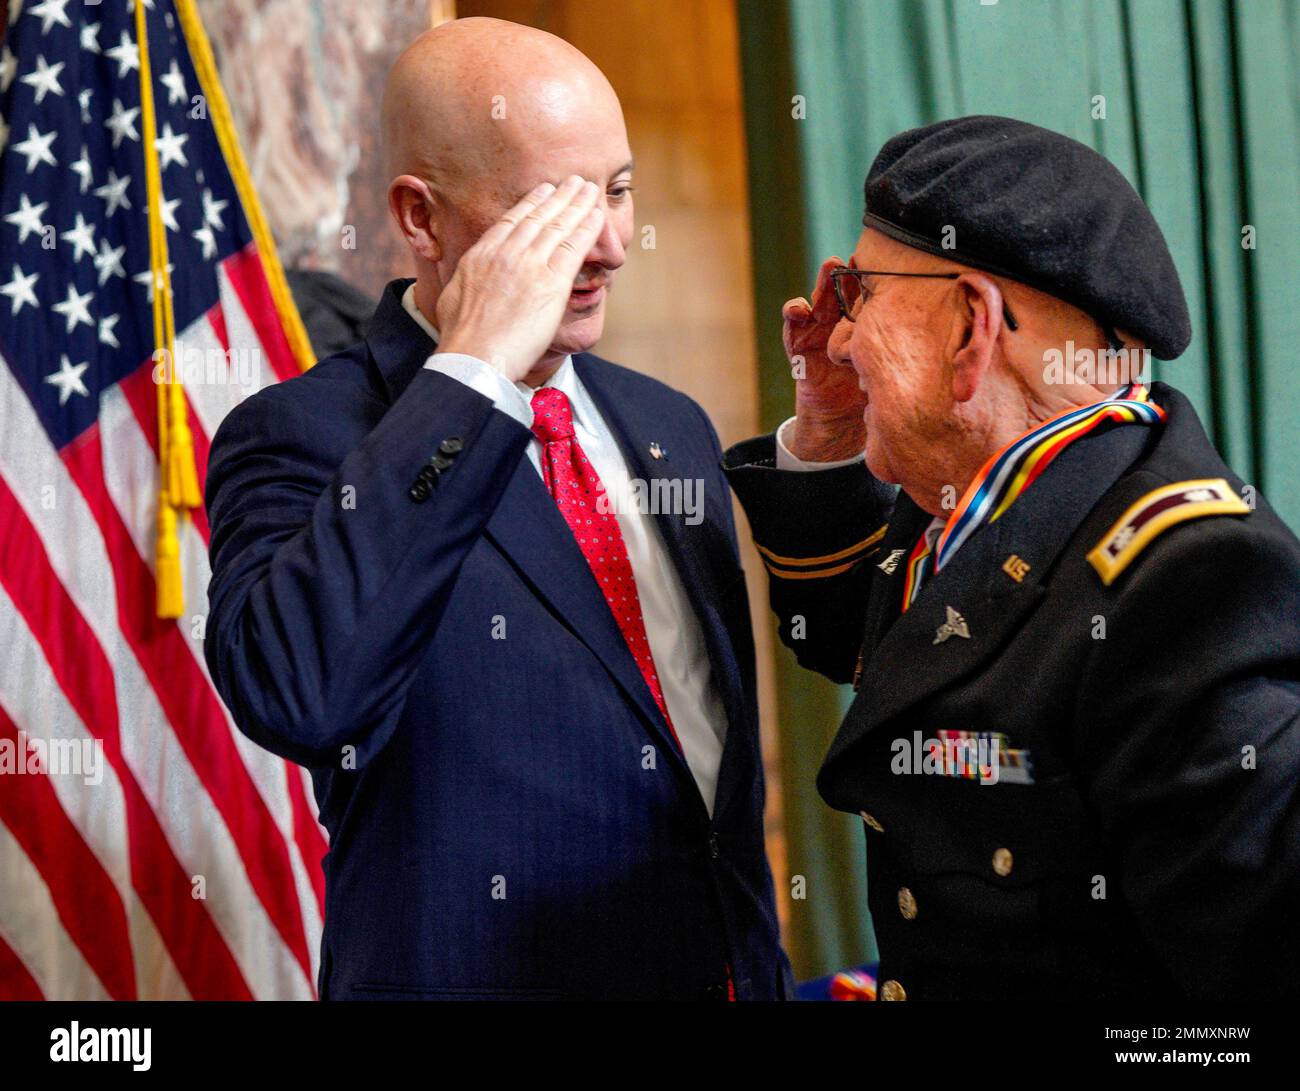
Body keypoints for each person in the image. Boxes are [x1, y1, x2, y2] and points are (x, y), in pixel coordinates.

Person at [204, 17, 792, 1001]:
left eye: (616, 190)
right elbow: (302, 694)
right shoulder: (303, 430)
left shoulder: (668, 422)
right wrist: (471, 376)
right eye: (554, 210)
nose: (607, 244)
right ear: (421, 218)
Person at [724, 116, 1300, 1001]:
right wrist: (835, 433)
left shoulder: (1184, 581)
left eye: (864, 296)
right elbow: (879, 653)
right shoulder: (987, 492)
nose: (837, 338)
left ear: (971, 331)